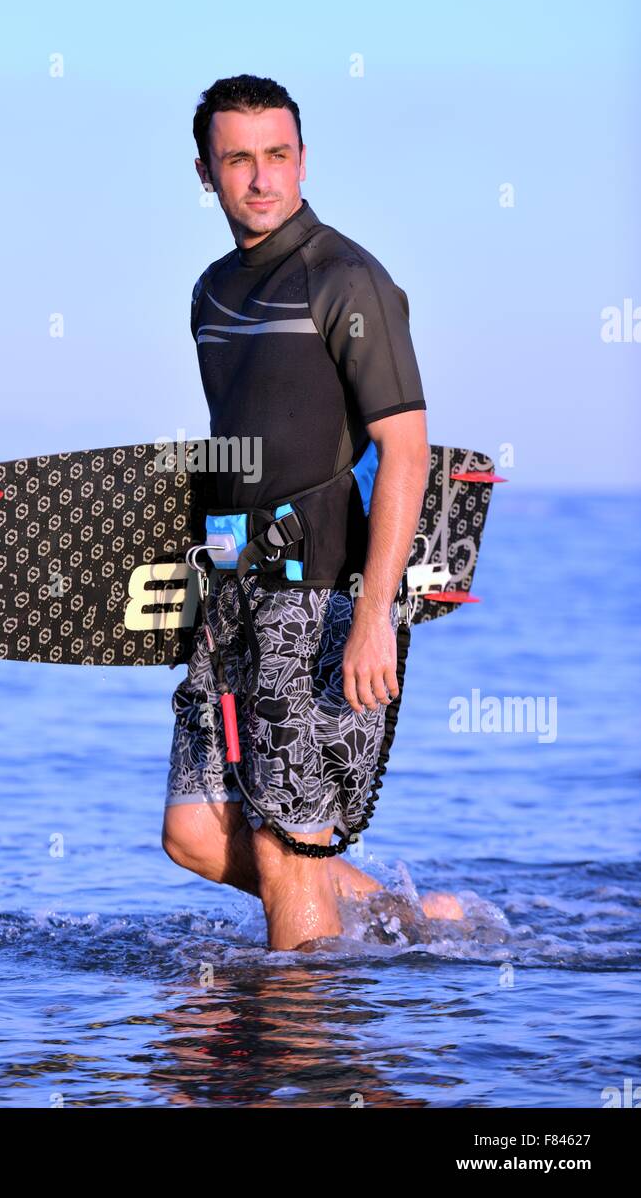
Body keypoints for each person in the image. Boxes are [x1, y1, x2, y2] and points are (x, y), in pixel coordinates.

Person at [162, 74, 464, 951]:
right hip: (233, 597)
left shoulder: (347, 280)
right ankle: (404, 921)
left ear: (303, 158)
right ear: (205, 172)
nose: (262, 180)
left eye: (279, 156)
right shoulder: (211, 293)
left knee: (287, 846)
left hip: (326, 593)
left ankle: (304, 1066)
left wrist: (374, 616)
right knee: (193, 830)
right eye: (239, 160)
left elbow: (404, 450)